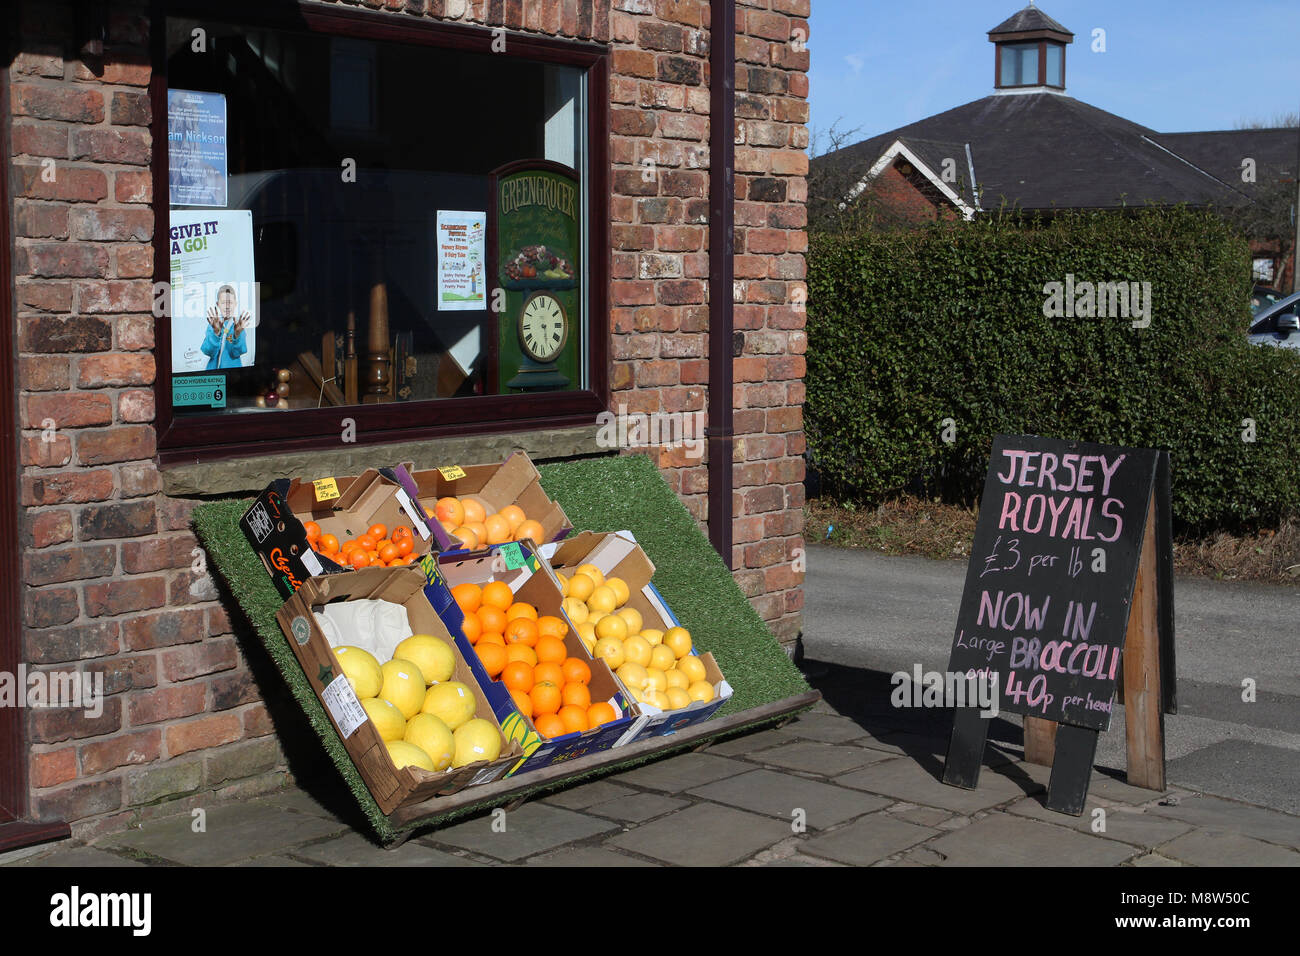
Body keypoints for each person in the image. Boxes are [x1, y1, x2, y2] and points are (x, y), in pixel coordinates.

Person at [202, 284, 250, 369]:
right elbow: (208, 351)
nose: (227, 306)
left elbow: (238, 352)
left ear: (235, 304)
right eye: (223, 302)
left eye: (230, 302)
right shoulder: (212, 325)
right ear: (218, 304)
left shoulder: (238, 326)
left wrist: (237, 335)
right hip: (213, 375)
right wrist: (216, 333)